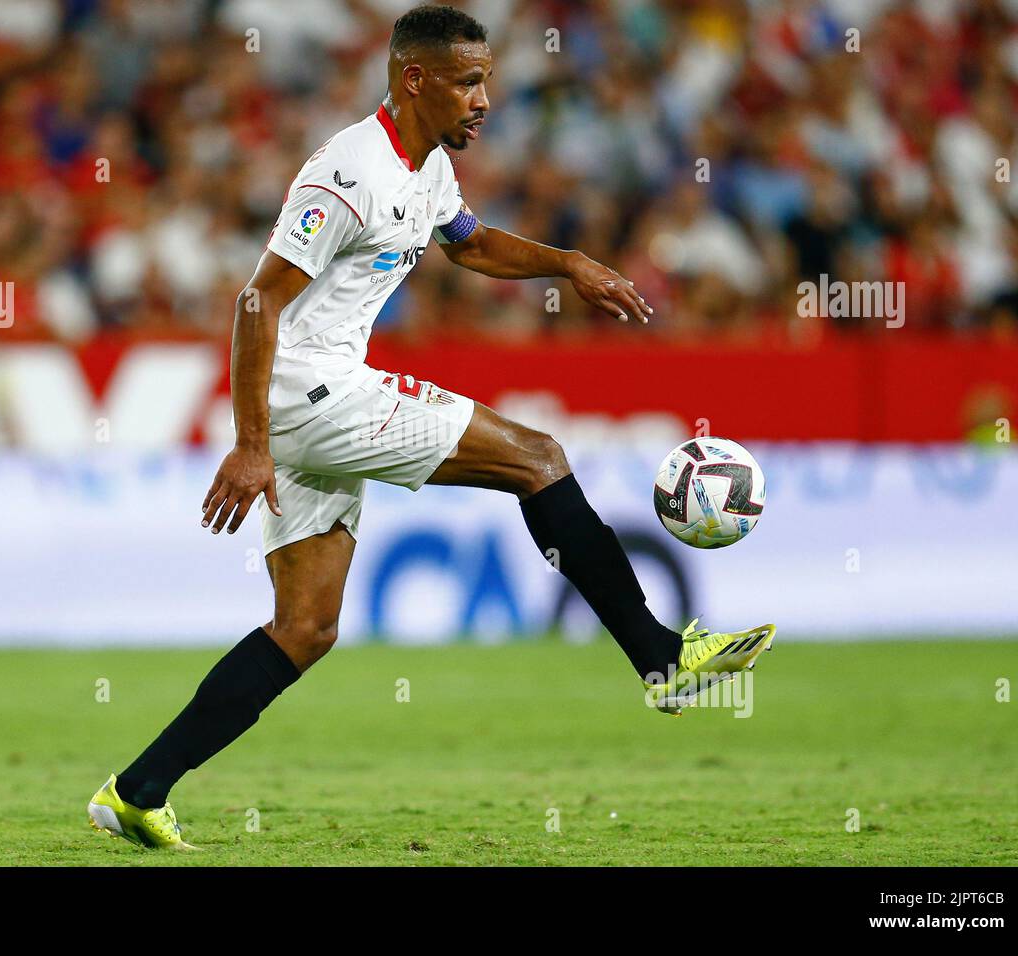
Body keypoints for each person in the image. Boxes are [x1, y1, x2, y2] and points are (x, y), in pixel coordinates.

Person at [88, 4, 774, 851]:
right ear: (415, 79)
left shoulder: (428, 166)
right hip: (313, 391)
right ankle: (659, 658)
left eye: (486, 79)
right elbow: (257, 299)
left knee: (306, 627)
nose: (485, 100)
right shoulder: (348, 173)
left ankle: (137, 790)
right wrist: (252, 443)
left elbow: (471, 243)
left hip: (313, 399)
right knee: (539, 458)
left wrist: (567, 265)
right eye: (469, 81)